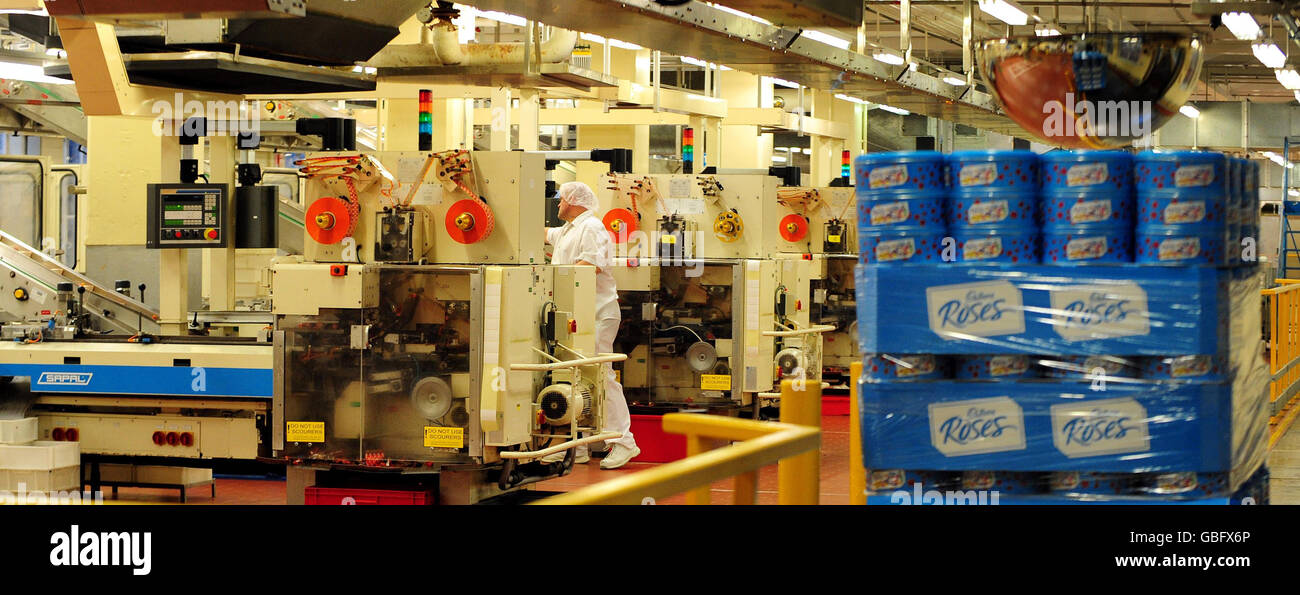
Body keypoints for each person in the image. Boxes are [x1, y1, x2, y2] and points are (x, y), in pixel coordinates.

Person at [541, 181, 640, 469]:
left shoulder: (592, 227)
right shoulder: (570, 229)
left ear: (573, 200)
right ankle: (577, 445)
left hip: (597, 313)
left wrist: (553, 277)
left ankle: (623, 442)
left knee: (600, 375)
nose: (558, 205)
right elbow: (545, 233)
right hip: (576, 315)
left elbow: (591, 264)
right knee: (573, 377)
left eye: (561, 200)